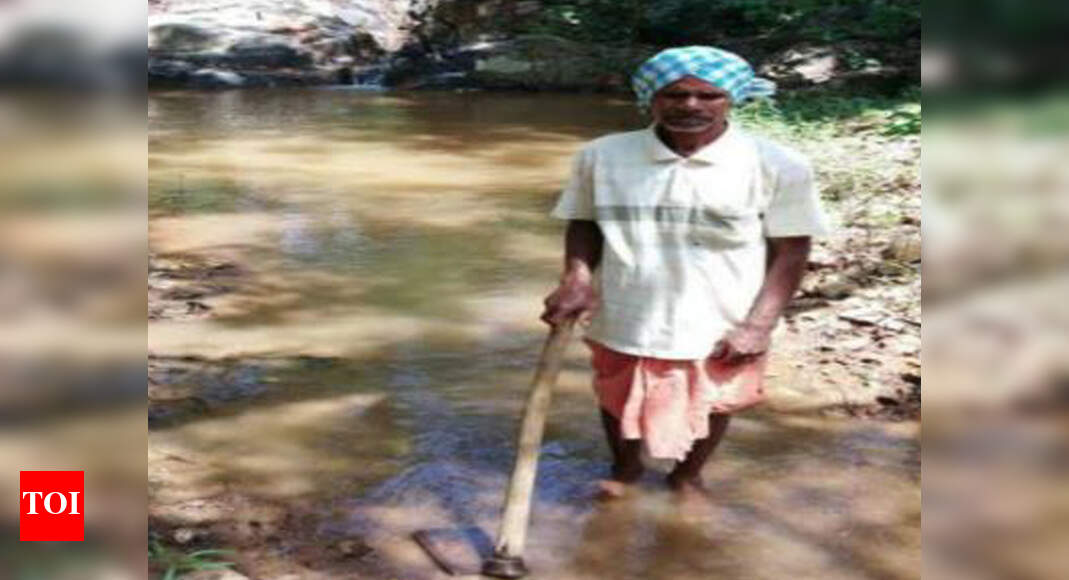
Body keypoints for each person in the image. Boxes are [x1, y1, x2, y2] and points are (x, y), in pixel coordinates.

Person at [541, 46, 830, 500]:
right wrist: (576, 278)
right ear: (650, 100)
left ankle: (688, 475)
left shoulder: (777, 164)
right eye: (674, 94)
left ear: (731, 100)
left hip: (723, 313)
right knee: (618, 397)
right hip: (627, 307)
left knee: (715, 399)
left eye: (707, 95)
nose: (690, 105)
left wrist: (758, 324)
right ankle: (625, 470)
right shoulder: (602, 156)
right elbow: (585, 221)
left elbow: (791, 250)